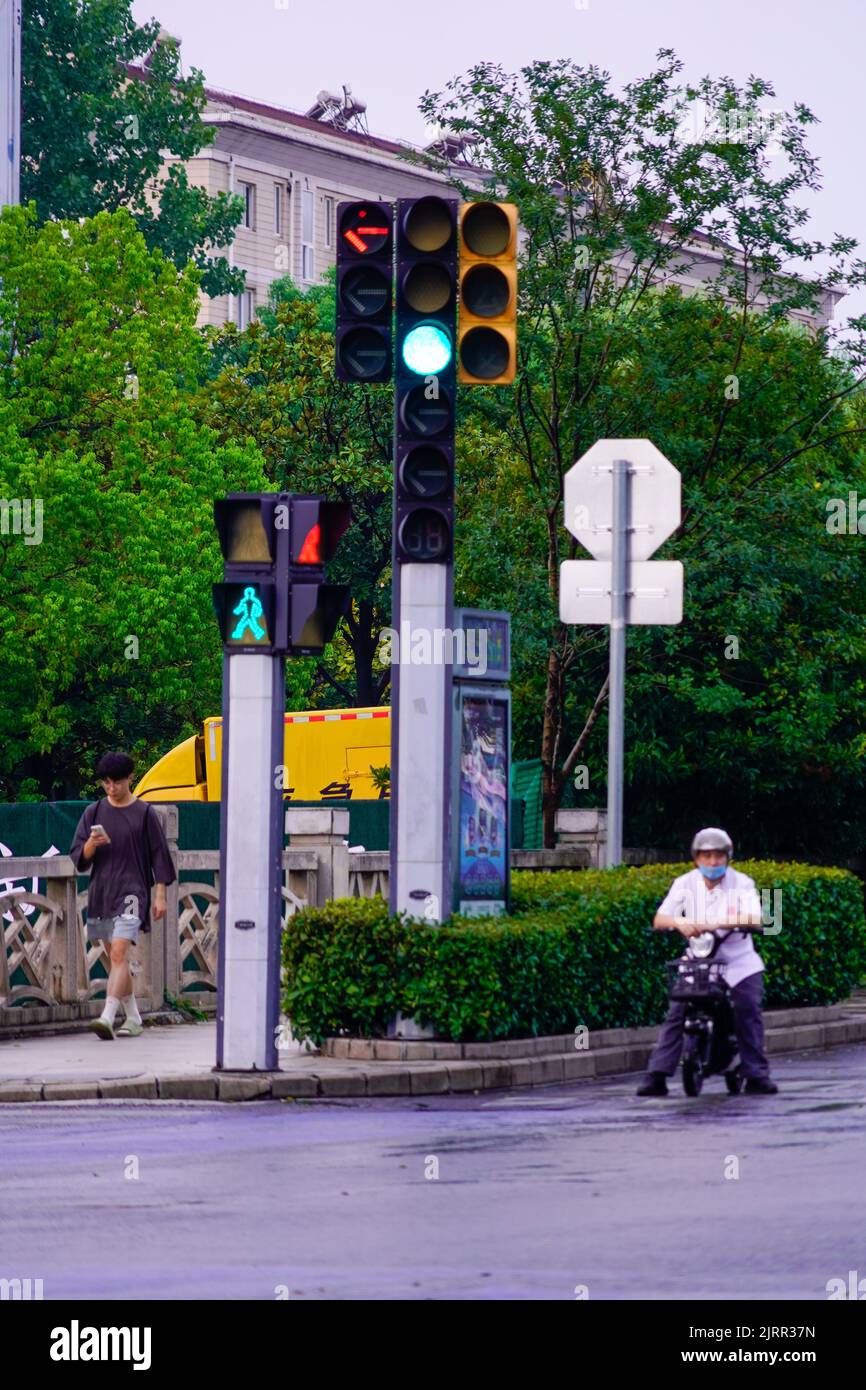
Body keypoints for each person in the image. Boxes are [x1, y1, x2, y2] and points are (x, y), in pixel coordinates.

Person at [636, 827, 778, 1097]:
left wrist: (718, 923)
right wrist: (679, 922)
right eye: (706, 856)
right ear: (696, 859)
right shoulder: (684, 883)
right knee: (676, 1013)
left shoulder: (742, 883)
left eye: (718, 856)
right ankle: (657, 1076)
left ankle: (757, 1075)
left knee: (747, 1010)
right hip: (700, 962)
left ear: (727, 857)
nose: (712, 862)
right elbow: (660, 918)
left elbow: (756, 918)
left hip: (739, 962)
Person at [70, 751, 175, 1041]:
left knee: (118, 952)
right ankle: (133, 1017)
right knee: (114, 958)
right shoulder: (94, 812)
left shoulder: (144, 813)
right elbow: (79, 857)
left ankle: (107, 1016)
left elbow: (159, 855)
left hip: (133, 891)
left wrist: (160, 895)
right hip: (102, 891)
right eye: (106, 783)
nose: (111, 788)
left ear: (130, 778)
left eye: (116, 782)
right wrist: (92, 842)